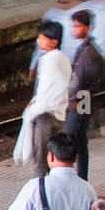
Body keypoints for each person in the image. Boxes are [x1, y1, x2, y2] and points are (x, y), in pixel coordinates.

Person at [22, 21, 73, 178]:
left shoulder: (49, 61)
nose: (38, 41)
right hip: (59, 114)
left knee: (41, 160)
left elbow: (46, 89)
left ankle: (41, 195)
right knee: (55, 158)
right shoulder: (63, 58)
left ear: (54, 41)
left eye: (42, 38)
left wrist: (32, 110)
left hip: (45, 115)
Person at [63, 10, 102, 180]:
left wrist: (70, 100)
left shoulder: (88, 53)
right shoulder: (86, 49)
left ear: (88, 27)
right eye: (73, 26)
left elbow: (79, 81)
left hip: (79, 103)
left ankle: (73, 181)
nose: (74, 30)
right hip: (83, 101)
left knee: (69, 142)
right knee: (80, 143)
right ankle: (82, 179)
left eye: (78, 26)